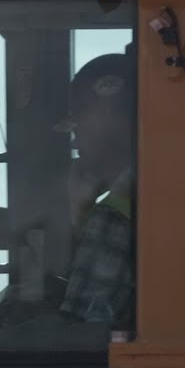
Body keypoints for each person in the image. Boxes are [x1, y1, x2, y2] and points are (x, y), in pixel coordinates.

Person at [52, 52, 138, 329]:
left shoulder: (114, 214)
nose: (75, 143)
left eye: (79, 126)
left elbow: (78, 332)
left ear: (113, 124)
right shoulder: (171, 188)